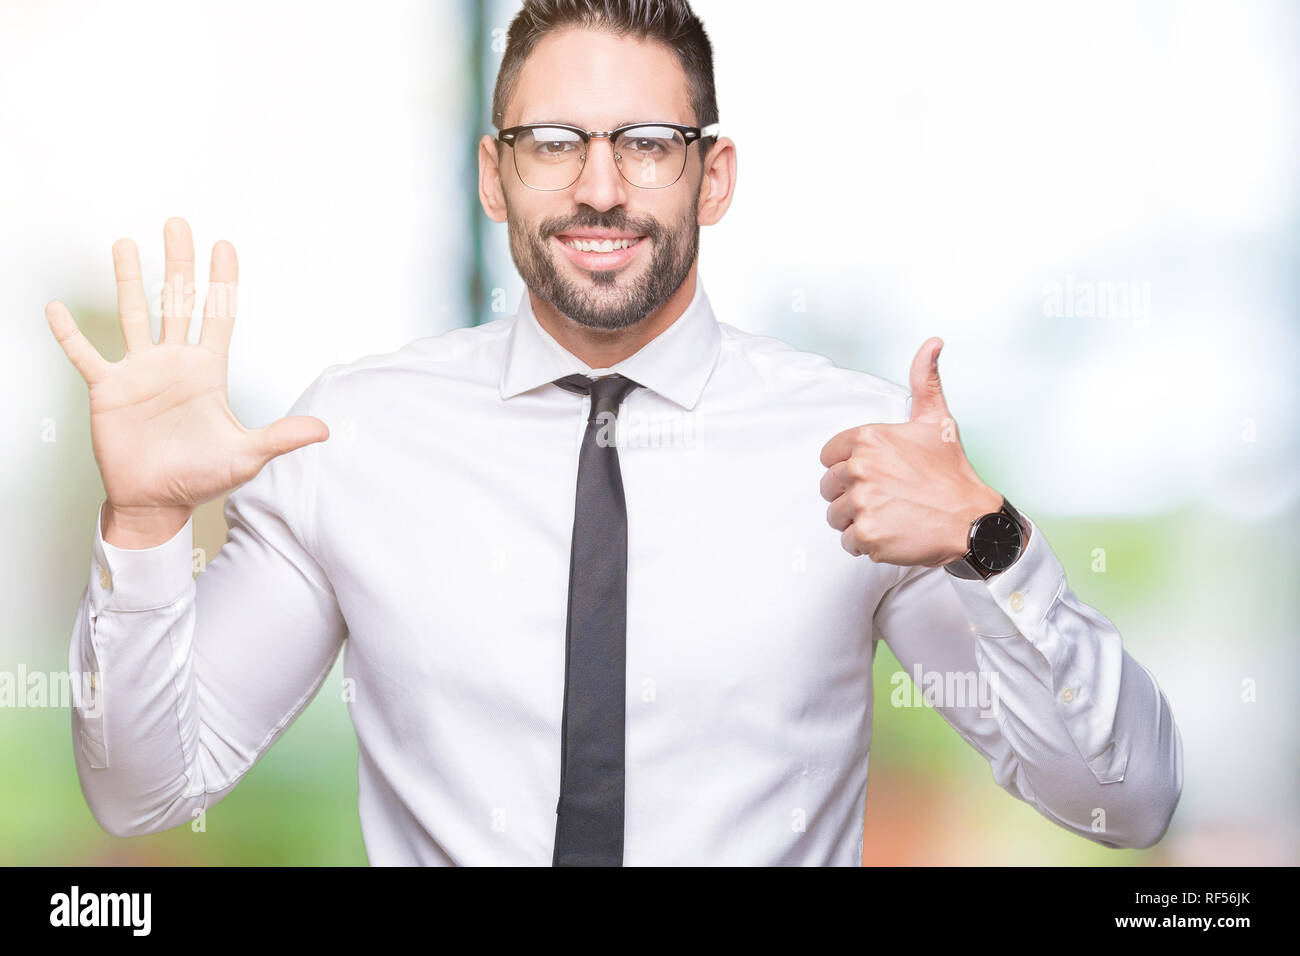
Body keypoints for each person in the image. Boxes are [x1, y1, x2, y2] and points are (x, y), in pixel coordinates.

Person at [46, 0, 1182, 866]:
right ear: (494, 175)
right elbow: (143, 792)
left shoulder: (859, 448)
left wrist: (991, 540)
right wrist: (144, 525)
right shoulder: (353, 437)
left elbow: (1122, 801)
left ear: (712, 176)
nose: (599, 187)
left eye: (645, 142)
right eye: (553, 142)